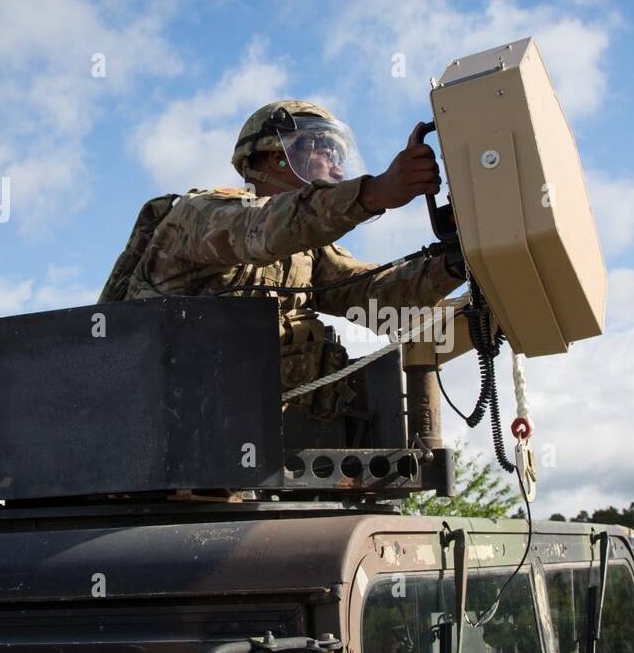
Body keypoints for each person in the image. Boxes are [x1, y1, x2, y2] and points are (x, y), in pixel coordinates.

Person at [99, 100, 464, 420]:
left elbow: (373, 294)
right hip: (164, 426)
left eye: (340, 158)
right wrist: (374, 192)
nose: (338, 169)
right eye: (326, 152)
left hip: (257, 436)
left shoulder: (307, 250)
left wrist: (458, 261)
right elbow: (263, 230)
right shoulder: (200, 214)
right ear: (279, 156)